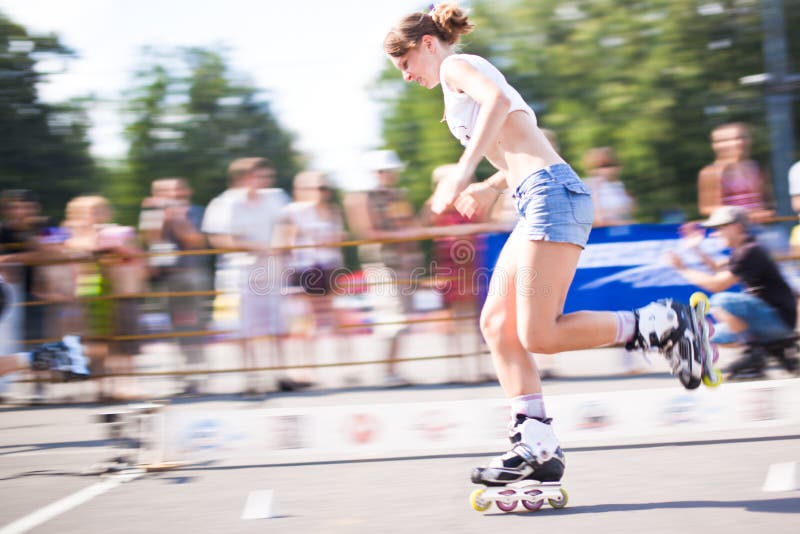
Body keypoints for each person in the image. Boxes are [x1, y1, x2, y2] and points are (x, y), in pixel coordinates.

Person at [383, 2, 709, 491]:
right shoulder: (458, 76)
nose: (406, 76)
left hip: (551, 196)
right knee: (496, 324)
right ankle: (534, 443)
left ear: (427, 44)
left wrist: (461, 172)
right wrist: (489, 187)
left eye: (405, 64)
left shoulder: (456, 66)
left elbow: (497, 106)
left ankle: (665, 324)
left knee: (539, 334)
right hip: (536, 196)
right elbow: (518, 139)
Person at [201, 157, 299, 394]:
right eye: (261, 177)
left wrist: (283, 242)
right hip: (239, 274)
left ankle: (280, 374)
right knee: (243, 328)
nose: (266, 182)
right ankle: (251, 378)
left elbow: (289, 223)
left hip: (272, 271)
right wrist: (256, 246)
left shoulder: (276, 197)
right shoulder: (223, 203)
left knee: (276, 325)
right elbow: (219, 239)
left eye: (268, 177)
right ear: (244, 178)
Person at [668, 206, 798, 378]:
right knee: (709, 335)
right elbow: (715, 267)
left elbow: (716, 284)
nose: (716, 233)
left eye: (721, 228)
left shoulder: (750, 251)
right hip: (770, 320)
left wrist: (682, 269)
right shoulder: (742, 251)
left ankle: (754, 353)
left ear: (736, 227)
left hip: (778, 319)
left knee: (721, 301)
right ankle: (773, 348)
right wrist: (696, 249)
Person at [344, 149, 423, 387]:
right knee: (392, 317)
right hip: (382, 263)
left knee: (402, 318)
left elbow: (409, 224)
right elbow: (366, 232)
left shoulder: (398, 195)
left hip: (404, 262)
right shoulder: (360, 198)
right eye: (386, 171)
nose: (391, 175)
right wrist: (402, 235)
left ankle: (391, 369)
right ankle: (385, 371)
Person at [274, 171, 348, 386]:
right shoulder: (292, 212)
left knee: (328, 321)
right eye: (315, 188)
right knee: (303, 323)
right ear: (301, 190)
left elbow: (338, 241)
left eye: (323, 188)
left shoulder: (332, 211)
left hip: (328, 268)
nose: (320, 192)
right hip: (303, 269)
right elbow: (281, 244)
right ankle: (301, 370)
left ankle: (341, 367)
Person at [697, 123, 772, 222]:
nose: (736, 143)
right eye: (725, 140)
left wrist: (767, 212)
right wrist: (746, 215)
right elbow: (707, 209)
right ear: (715, 145)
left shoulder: (757, 168)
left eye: (741, 138)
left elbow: (768, 201)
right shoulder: (711, 172)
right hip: (730, 229)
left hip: (760, 227)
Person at [582, 147, 635, 227]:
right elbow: (597, 220)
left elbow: (629, 213)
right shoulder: (589, 187)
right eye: (601, 166)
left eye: (610, 165)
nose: (607, 170)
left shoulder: (618, 186)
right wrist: (626, 223)